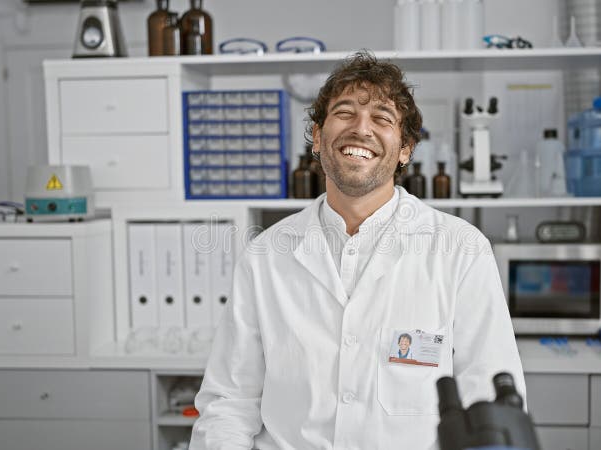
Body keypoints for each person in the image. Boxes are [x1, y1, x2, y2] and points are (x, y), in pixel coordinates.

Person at [190, 50, 524, 450]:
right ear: (318, 136)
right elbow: (230, 402)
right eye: (345, 113)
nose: (361, 129)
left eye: (382, 119)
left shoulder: (462, 251)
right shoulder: (264, 258)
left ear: (405, 149)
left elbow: (489, 407)